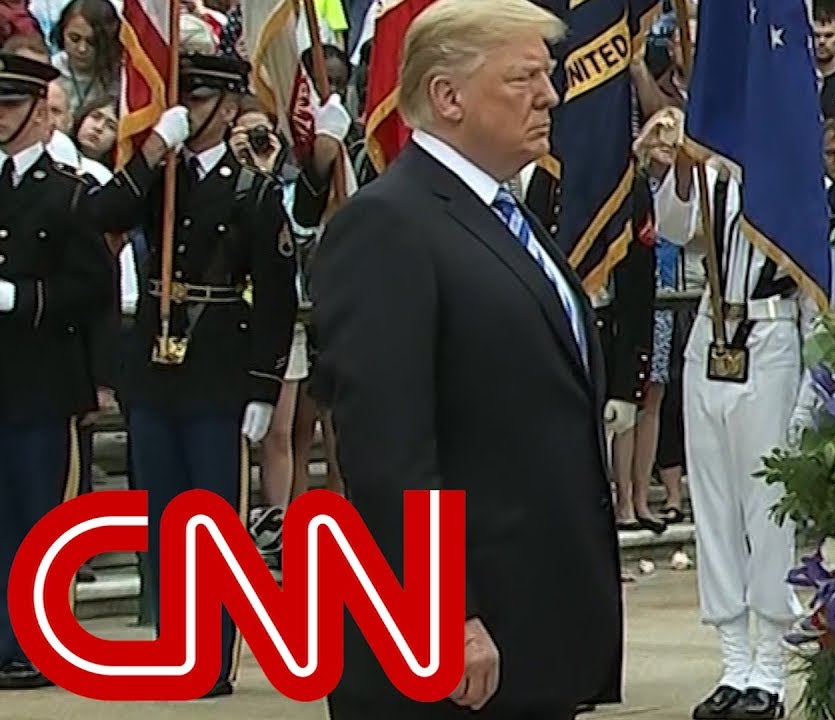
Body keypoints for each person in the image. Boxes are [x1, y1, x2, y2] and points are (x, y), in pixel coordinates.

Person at [309, 0, 622, 718]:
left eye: (547, 75)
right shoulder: (388, 224)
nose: (549, 96)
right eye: (523, 78)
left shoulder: (506, 220)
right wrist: (443, 611)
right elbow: (388, 450)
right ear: (448, 96)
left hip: (535, 632)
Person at [82, 51, 343, 698]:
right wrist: (151, 149)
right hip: (153, 366)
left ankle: (211, 653)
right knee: (161, 514)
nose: (187, 110)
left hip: (216, 366)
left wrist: (263, 387)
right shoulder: (159, 177)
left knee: (211, 517)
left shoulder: (251, 190)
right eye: (184, 99)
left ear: (228, 108)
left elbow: (276, 298)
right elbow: (101, 216)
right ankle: (174, 642)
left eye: (198, 101)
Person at [654, 146, 807, 720]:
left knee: (767, 510)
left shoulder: (796, 174)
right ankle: (733, 663)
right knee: (713, 506)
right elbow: (674, 227)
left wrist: (811, 391)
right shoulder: (714, 175)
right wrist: (684, 166)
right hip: (710, 334)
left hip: (770, 335)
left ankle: (768, 669)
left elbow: (814, 285)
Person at [0, 51, 115, 690]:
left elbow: (92, 289)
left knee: (37, 516)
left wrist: (22, 298)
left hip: (41, 378)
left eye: (12, 106)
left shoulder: (70, 194)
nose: (0, 117)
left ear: (42, 115)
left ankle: (35, 641)